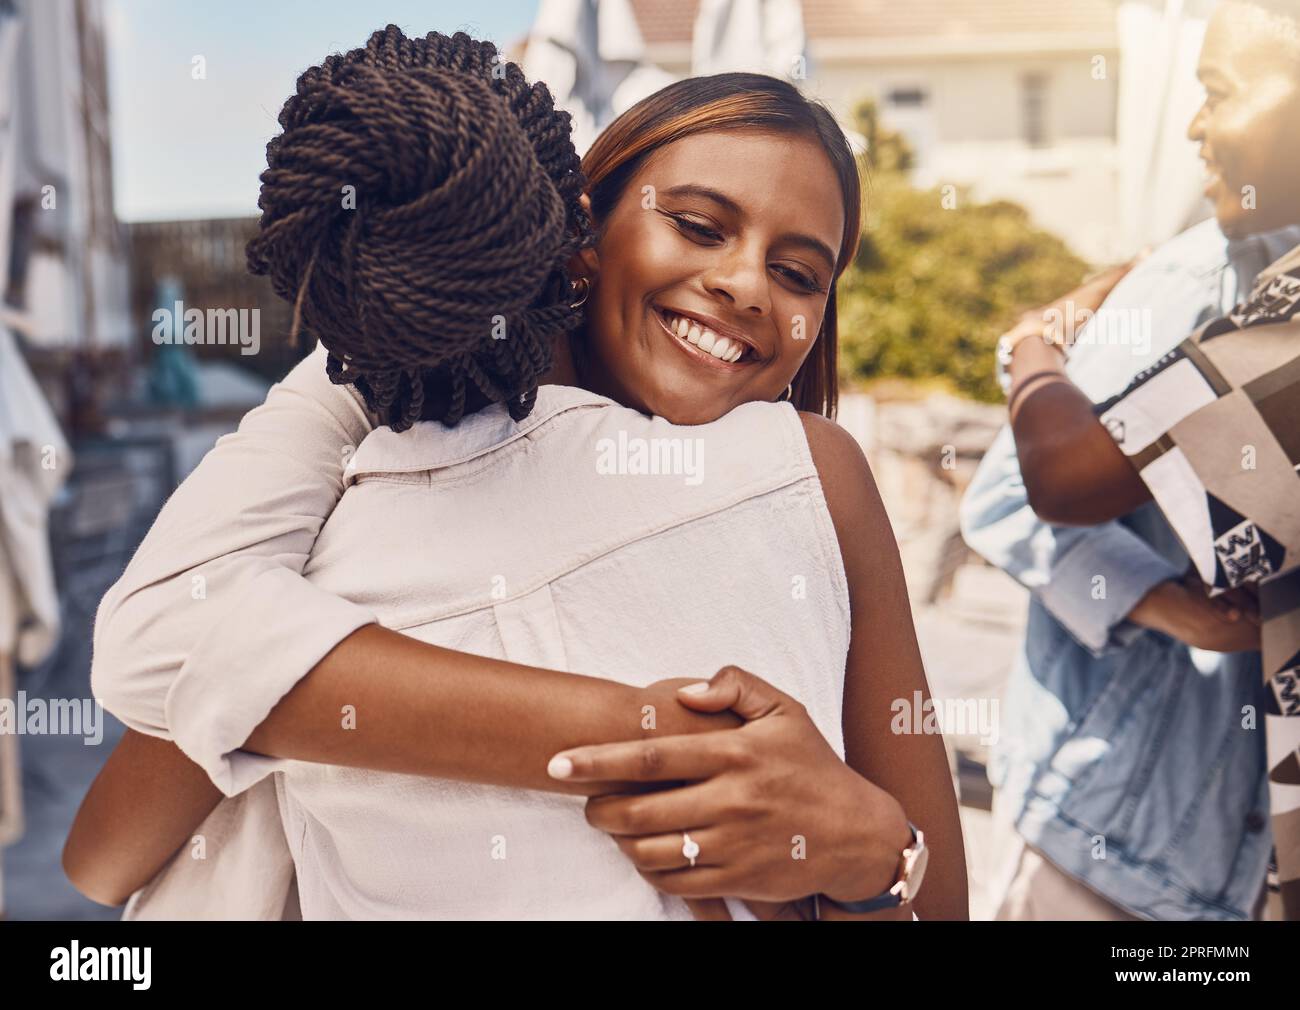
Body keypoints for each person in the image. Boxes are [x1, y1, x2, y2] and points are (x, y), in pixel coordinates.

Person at [72, 27, 966, 920]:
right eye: (697, 226)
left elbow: (104, 860)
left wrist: (866, 849)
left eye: (799, 274)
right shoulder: (373, 426)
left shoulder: (807, 481)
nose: (745, 284)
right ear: (584, 233)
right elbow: (149, 701)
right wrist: (658, 738)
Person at [960, 0, 1300, 920]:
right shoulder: (1203, 278)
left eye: (1219, 93)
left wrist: (1029, 342)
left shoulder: (1272, 301)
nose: (1195, 126)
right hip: (1113, 838)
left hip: (1244, 861)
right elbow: (1017, 493)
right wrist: (1172, 609)